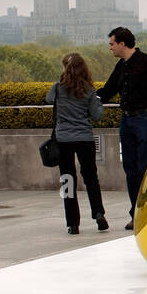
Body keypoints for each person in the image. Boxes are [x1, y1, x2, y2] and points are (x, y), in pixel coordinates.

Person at [98, 27, 147, 230]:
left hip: (145, 121)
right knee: (130, 169)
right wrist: (87, 99)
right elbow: (108, 90)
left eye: (112, 44)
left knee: (145, 169)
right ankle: (135, 213)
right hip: (127, 121)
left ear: (122, 44)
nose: (110, 48)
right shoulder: (121, 66)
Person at [47, 53, 107, 234]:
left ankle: (73, 223)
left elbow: (49, 100)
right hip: (85, 138)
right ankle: (98, 213)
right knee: (91, 178)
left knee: (68, 180)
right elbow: (96, 116)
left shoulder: (57, 88)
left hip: (64, 139)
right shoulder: (89, 90)